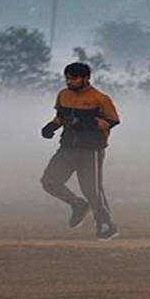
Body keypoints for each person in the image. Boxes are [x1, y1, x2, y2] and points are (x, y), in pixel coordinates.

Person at [40, 62, 121, 240]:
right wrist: (51, 127)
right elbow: (60, 117)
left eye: (74, 78)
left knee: (92, 189)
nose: (69, 81)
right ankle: (78, 205)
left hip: (91, 150)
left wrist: (90, 123)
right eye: (67, 78)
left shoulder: (100, 98)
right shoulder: (63, 95)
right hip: (67, 147)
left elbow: (113, 121)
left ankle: (105, 225)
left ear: (86, 78)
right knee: (50, 181)